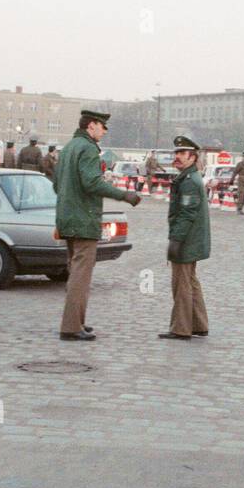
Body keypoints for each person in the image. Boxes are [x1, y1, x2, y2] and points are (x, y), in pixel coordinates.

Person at [56, 110, 141, 341]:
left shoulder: (68, 148)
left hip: (67, 219)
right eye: (102, 127)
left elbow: (56, 184)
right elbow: (92, 183)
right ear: (91, 126)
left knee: (75, 271)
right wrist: (125, 195)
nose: (103, 132)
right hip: (84, 220)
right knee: (80, 276)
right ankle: (72, 326)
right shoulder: (88, 149)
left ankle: (76, 322)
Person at [161, 135, 211, 340]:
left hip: (187, 240)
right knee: (190, 282)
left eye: (183, 154)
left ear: (193, 158)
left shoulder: (189, 181)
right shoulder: (189, 177)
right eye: (177, 153)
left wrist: (176, 241)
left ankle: (181, 329)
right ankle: (199, 324)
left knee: (181, 284)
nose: (178, 157)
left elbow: (187, 214)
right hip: (192, 239)